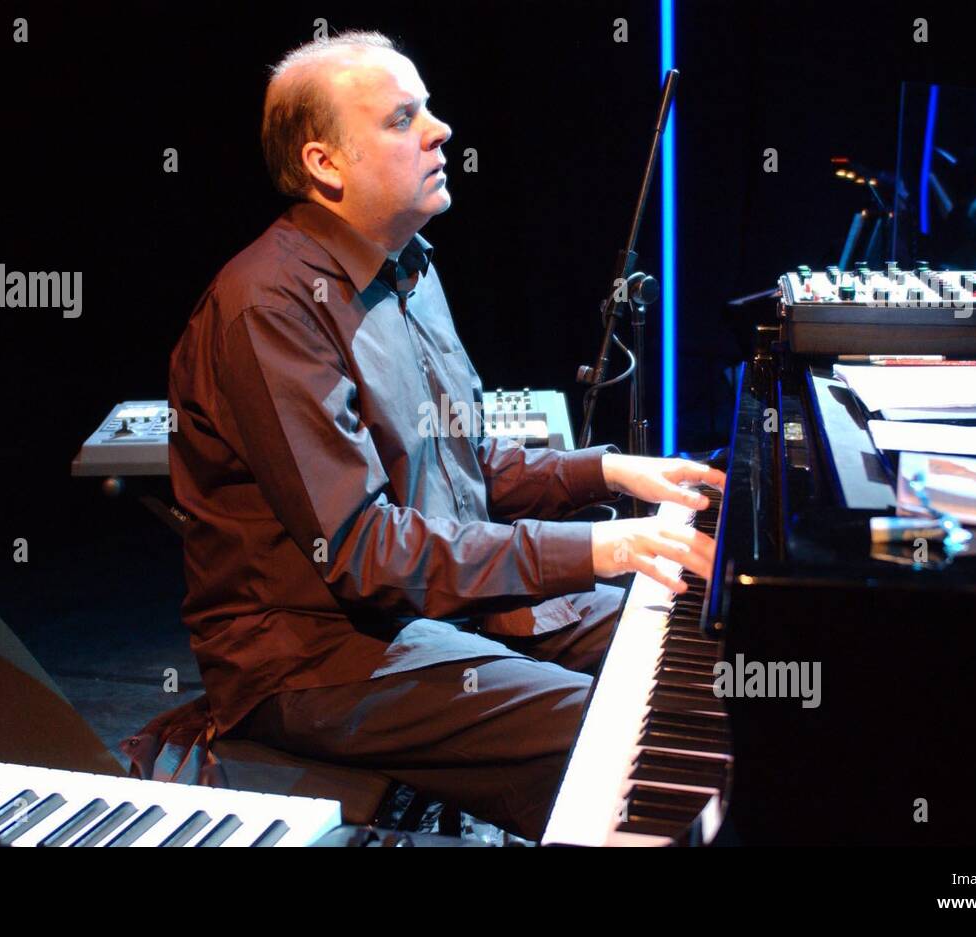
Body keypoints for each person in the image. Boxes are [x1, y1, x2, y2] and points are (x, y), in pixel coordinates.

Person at [152, 30, 721, 841]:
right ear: (324, 165)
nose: (439, 130)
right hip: (315, 654)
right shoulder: (269, 307)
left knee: (690, 637)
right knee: (626, 729)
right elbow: (361, 551)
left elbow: (463, 465)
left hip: (427, 609)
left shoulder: (409, 267)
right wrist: (606, 549)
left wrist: (617, 473)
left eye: (428, 109)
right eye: (401, 118)